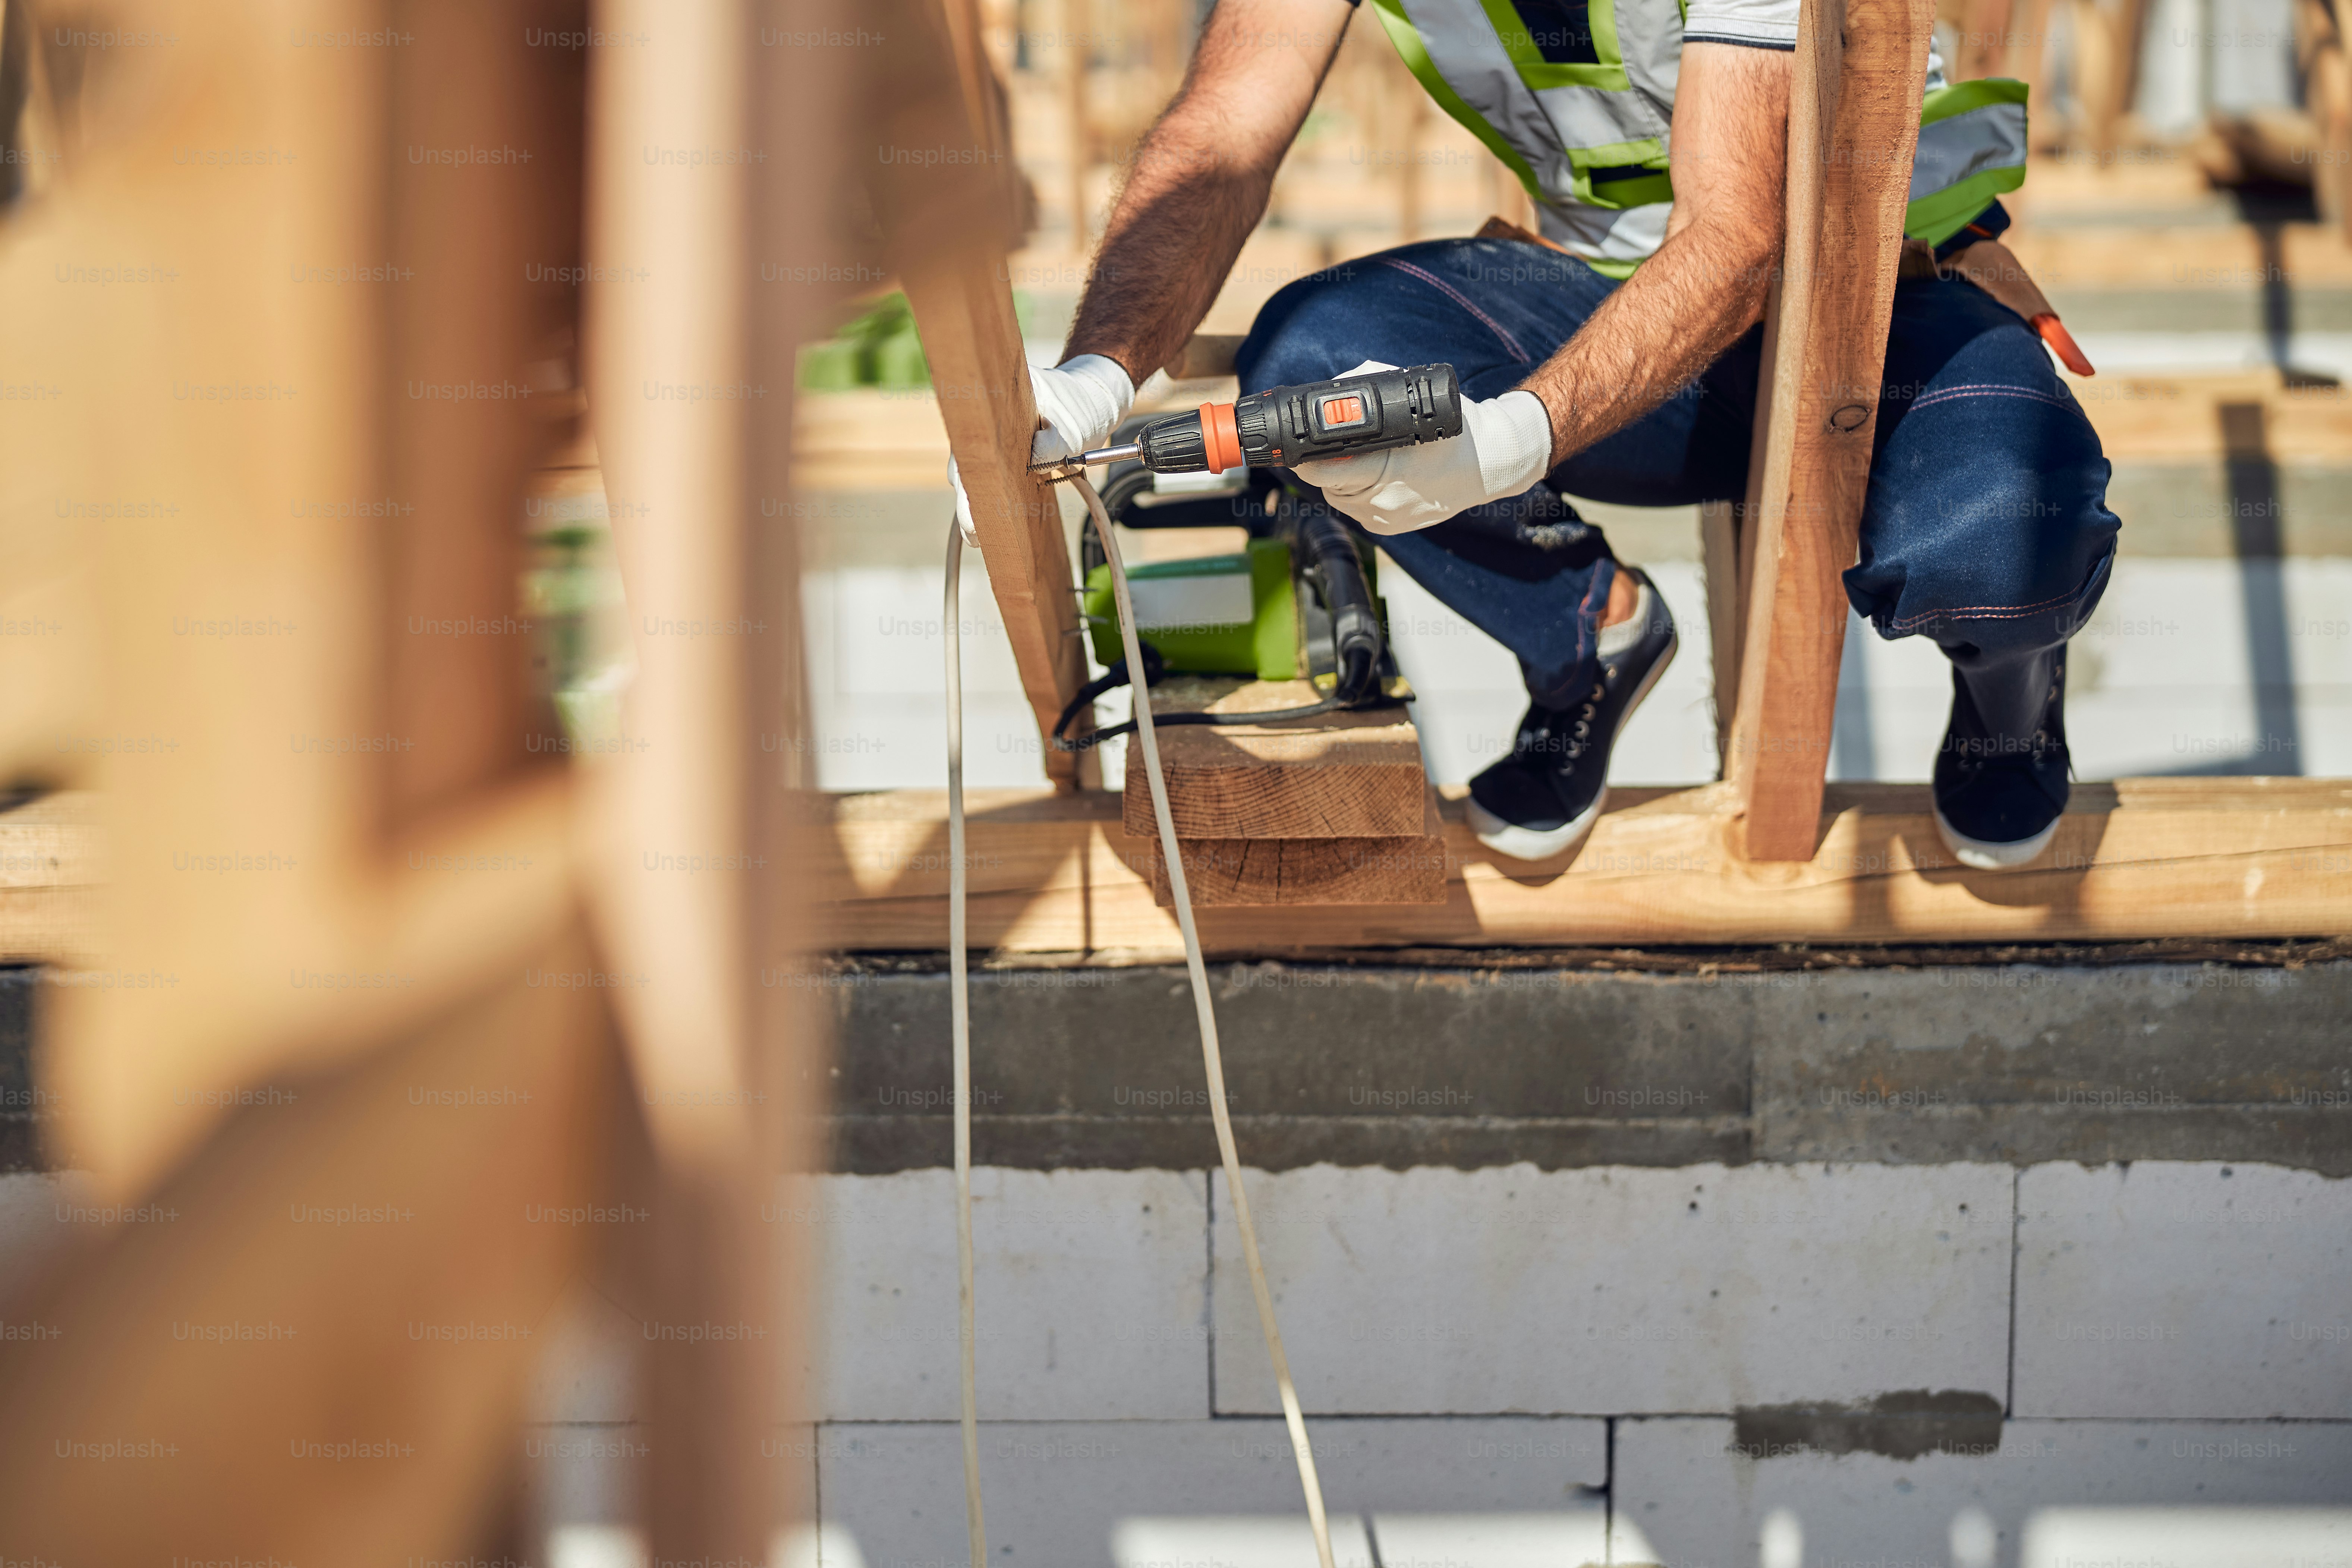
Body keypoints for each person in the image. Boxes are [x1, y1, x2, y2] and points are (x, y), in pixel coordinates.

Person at [977, 0, 2119, 869]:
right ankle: (1589, 632)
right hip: (1619, 305)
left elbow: (1740, 239)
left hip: (1890, 297)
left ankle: (2011, 695)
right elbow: (1223, 135)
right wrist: (1093, 377)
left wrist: (1516, 437)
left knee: (2001, 541)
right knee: (1318, 368)